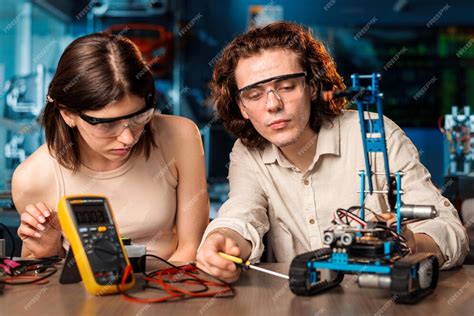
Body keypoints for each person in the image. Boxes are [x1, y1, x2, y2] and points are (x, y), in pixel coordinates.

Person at [196, 21, 468, 282]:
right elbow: (243, 214)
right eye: (255, 94)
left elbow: (449, 230)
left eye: (286, 87)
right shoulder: (247, 152)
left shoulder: (375, 134)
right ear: (242, 107)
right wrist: (223, 238)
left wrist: (411, 244)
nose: (273, 105)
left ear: (312, 87)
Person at [13, 33, 209, 261]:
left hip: (173, 287)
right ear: (68, 114)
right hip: (82, 293)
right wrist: (47, 250)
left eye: (139, 117)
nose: (127, 138)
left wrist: (154, 293)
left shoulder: (180, 136)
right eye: (107, 124)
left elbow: (191, 247)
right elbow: (40, 274)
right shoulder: (32, 178)